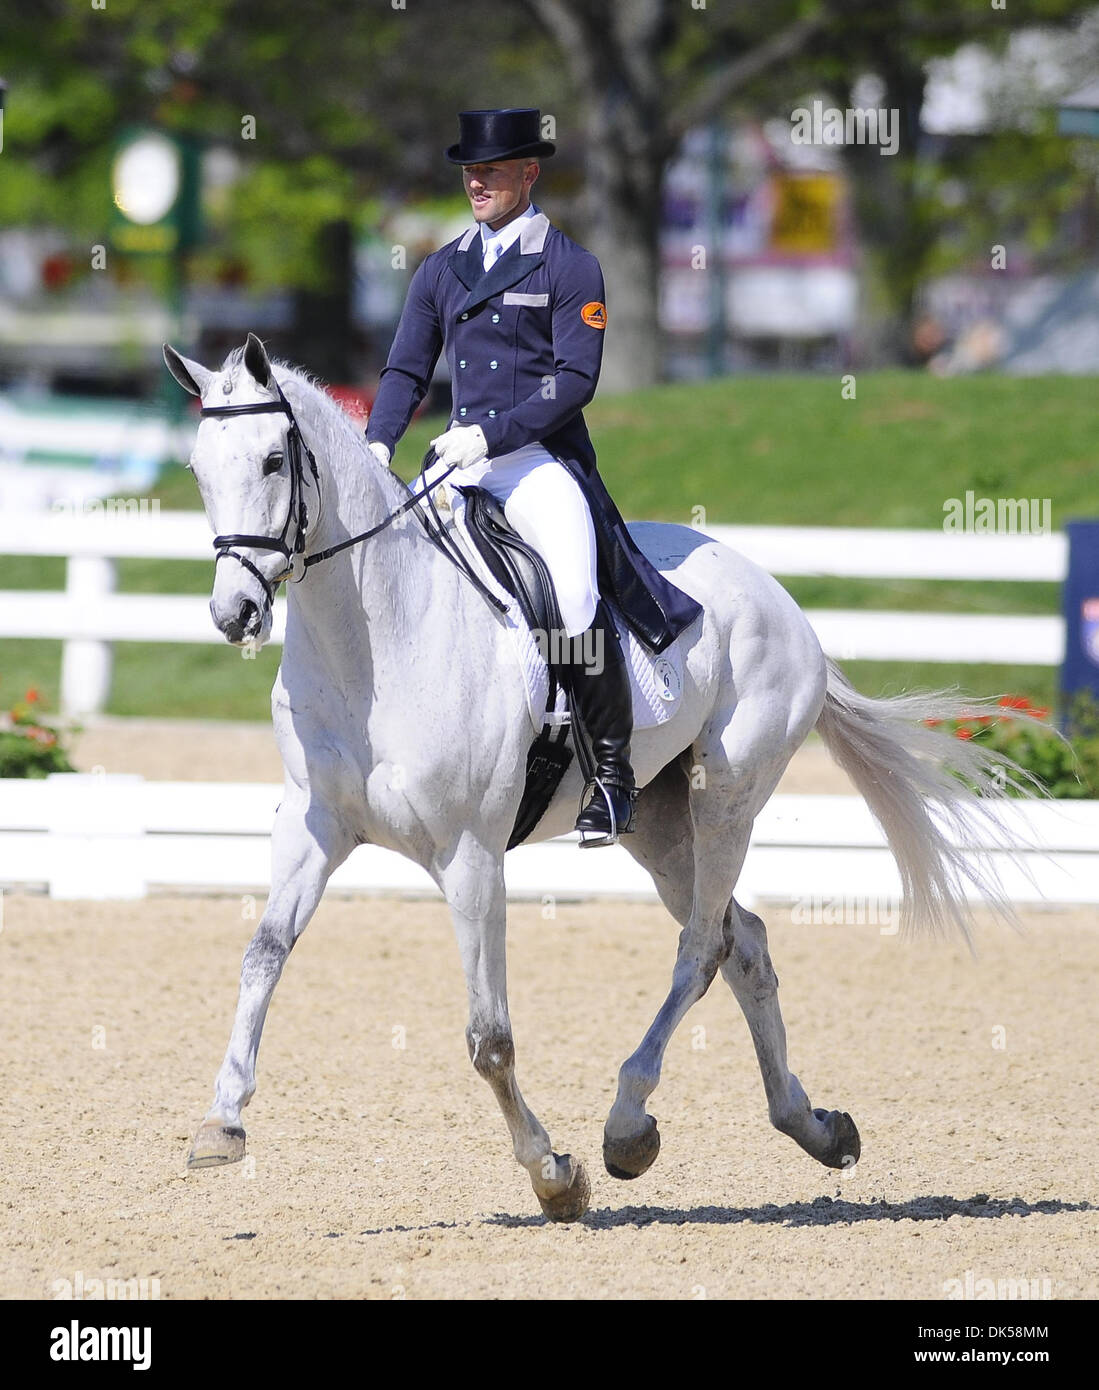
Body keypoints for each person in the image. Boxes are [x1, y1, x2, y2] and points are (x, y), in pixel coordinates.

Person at [366, 108, 702, 845]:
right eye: (470, 170)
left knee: (575, 596)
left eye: (491, 170)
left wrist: (490, 435)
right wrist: (378, 446)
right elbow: (405, 369)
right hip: (455, 464)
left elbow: (574, 380)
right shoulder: (441, 267)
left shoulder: (568, 266)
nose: (476, 182)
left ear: (529, 173)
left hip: (534, 462)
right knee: (383, 572)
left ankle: (610, 773)